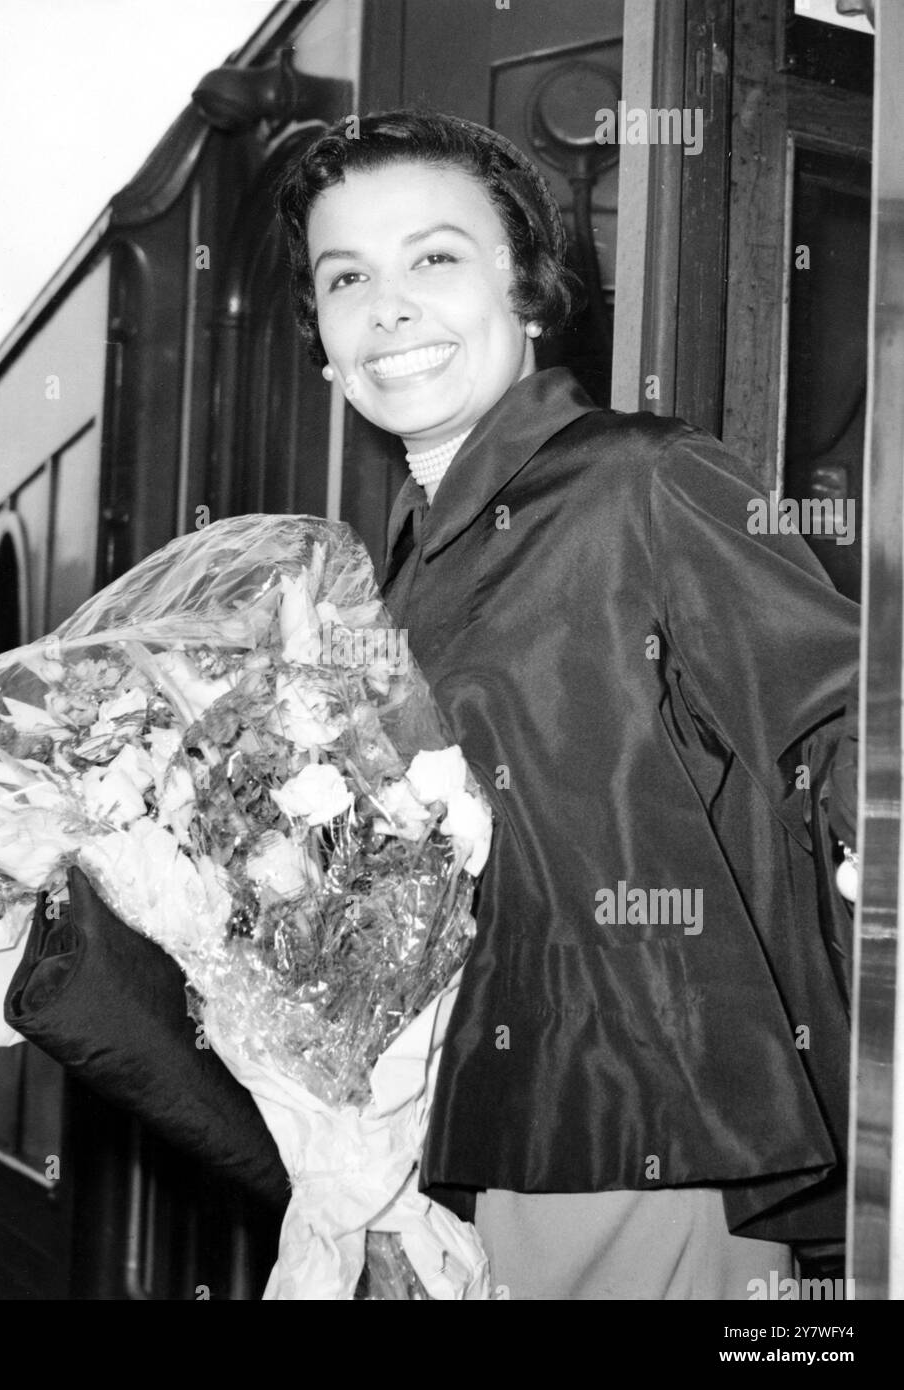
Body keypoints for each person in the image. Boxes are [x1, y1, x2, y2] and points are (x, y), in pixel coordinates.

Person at [275, 109, 859, 1299]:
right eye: (348, 278)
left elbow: (844, 705)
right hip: (457, 1141)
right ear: (326, 339)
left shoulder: (640, 478)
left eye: (434, 258)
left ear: (530, 291)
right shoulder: (389, 572)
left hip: (631, 1125)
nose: (387, 306)